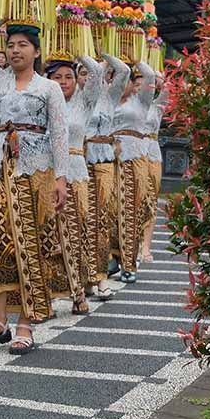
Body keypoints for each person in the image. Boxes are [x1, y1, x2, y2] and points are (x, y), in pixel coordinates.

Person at [0, 19, 70, 354]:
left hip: (37, 174)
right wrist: (2, 15)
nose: (15, 50)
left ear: (37, 51)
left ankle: (25, 321)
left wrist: (61, 178)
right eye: (11, 44)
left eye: (23, 44)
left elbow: (59, 134)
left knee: (32, 243)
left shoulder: (48, 88)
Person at [47, 54, 106, 315]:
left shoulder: (84, 102)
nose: (63, 82)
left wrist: (78, 48)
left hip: (75, 172)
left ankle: (78, 292)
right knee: (47, 236)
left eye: (68, 76)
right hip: (46, 173)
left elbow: (95, 72)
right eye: (56, 77)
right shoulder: (42, 101)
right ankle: (45, 295)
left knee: (76, 233)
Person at [84, 53, 129, 299]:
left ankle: (100, 277)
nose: (88, 76)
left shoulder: (110, 97)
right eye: (81, 72)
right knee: (81, 221)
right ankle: (84, 278)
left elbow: (123, 70)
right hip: (80, 161)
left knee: (102, 220)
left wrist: (101, 50)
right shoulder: (80, 98)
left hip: (104, 163)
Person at [112, 61, 156, 283]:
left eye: (125, 80)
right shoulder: (107, 100)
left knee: (130, 212)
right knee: (109, 211)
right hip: (108, 160)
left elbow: (149, 75)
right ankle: (112, 257)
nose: (119, 84)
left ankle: (128, 264)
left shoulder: (141, 101)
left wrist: (136, 58)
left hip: (133, 159)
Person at [139, 63, 168, 260]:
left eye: (147, 85)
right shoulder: (123, 104)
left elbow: (169, 89)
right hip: (130, 153)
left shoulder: (157, 106)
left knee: (150, 199)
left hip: (152, 151)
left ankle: (146, 245)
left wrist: (157, 75)